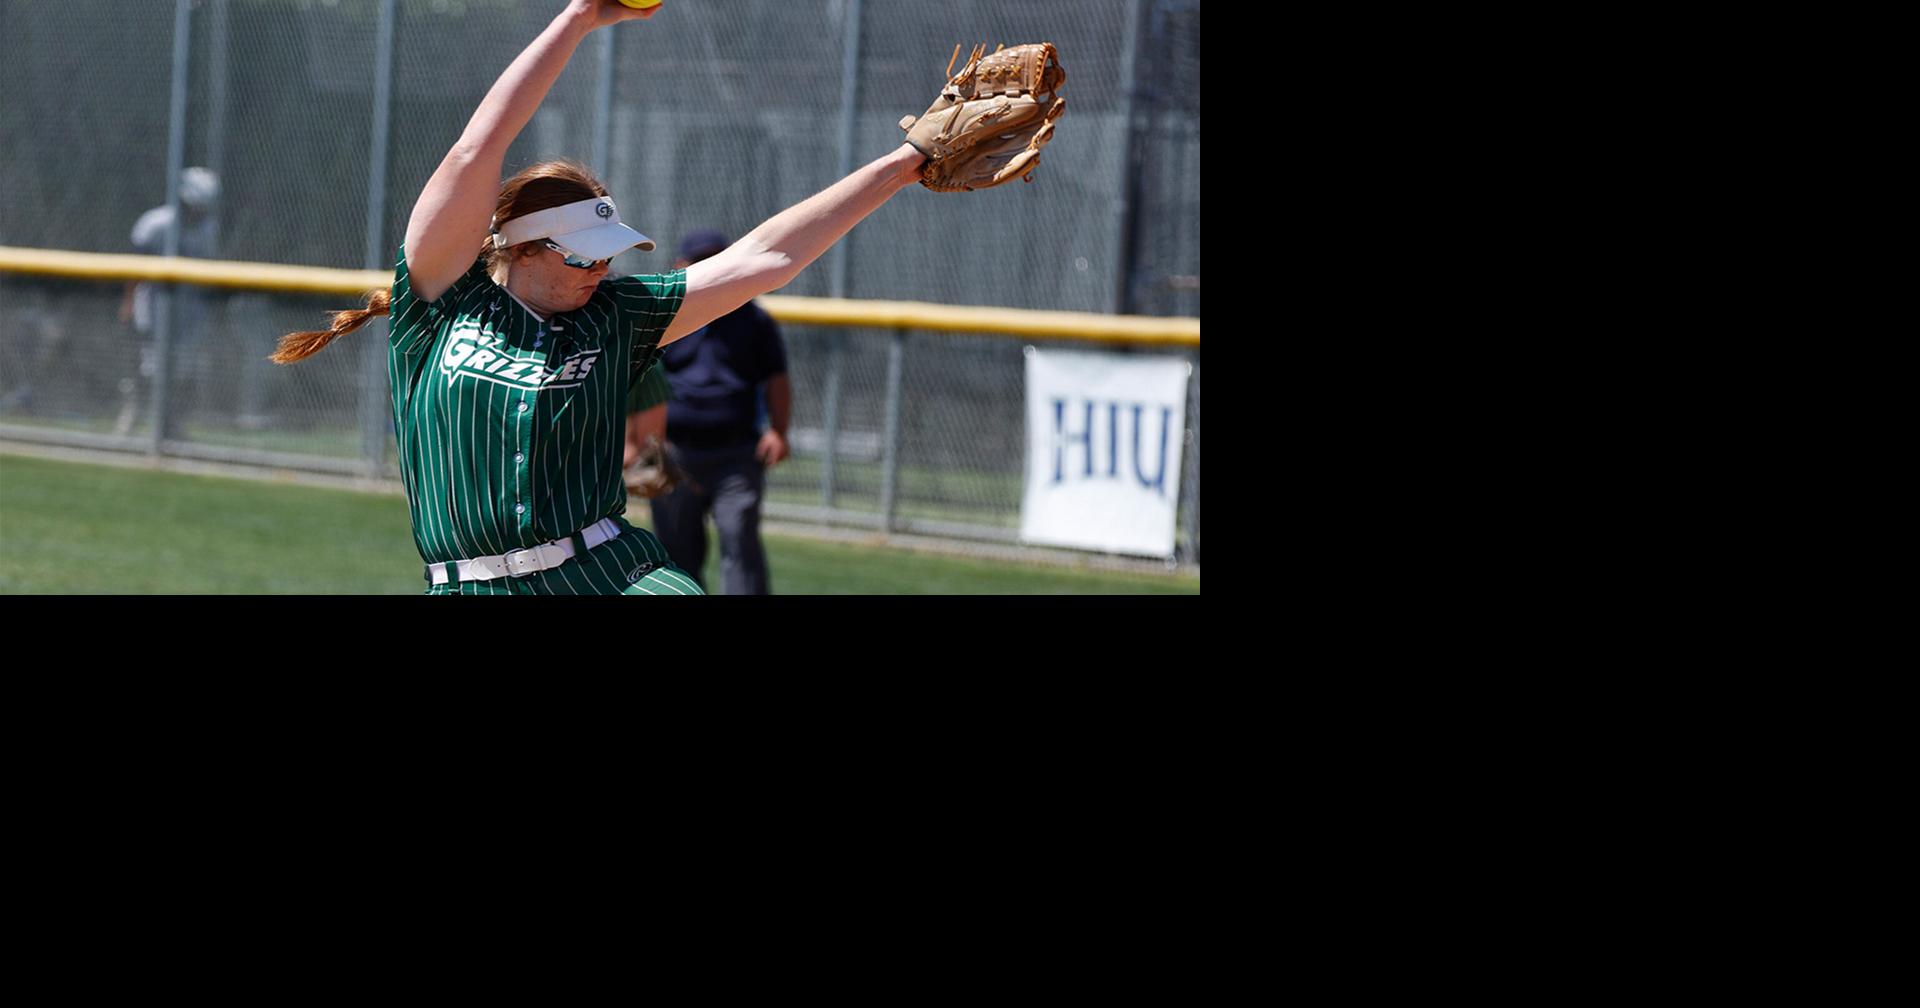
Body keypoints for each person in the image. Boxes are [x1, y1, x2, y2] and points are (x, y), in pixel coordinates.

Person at [267, 0, 929, 595]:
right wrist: (579, 16)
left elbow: (766, 257)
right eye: (583, 252)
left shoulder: (617, 316)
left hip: (607, 575)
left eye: (610, 252)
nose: (601, 268)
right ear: (522, 247)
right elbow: (478, 149)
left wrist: (904, 165)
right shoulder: (442, 302)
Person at [625, 229, 790, 595]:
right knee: (676, 552)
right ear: (681, 266)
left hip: (736, 452)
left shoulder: (753, 319)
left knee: (739, 539)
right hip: (674, 452)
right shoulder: (664, 316)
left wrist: (778, 431)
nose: (711, 267)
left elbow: (776, 378)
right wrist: (634, 442)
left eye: (718, 258)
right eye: (702, 261)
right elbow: (639, 380)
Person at [117, 166, 220, 436]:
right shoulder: (156, 223)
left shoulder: (208, 229)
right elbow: (134, 267)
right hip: (152, 311)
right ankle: (133, 417)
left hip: (189, 315)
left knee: (184, 373)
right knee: (147, 369)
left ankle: (171, 426)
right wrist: (128, 302)